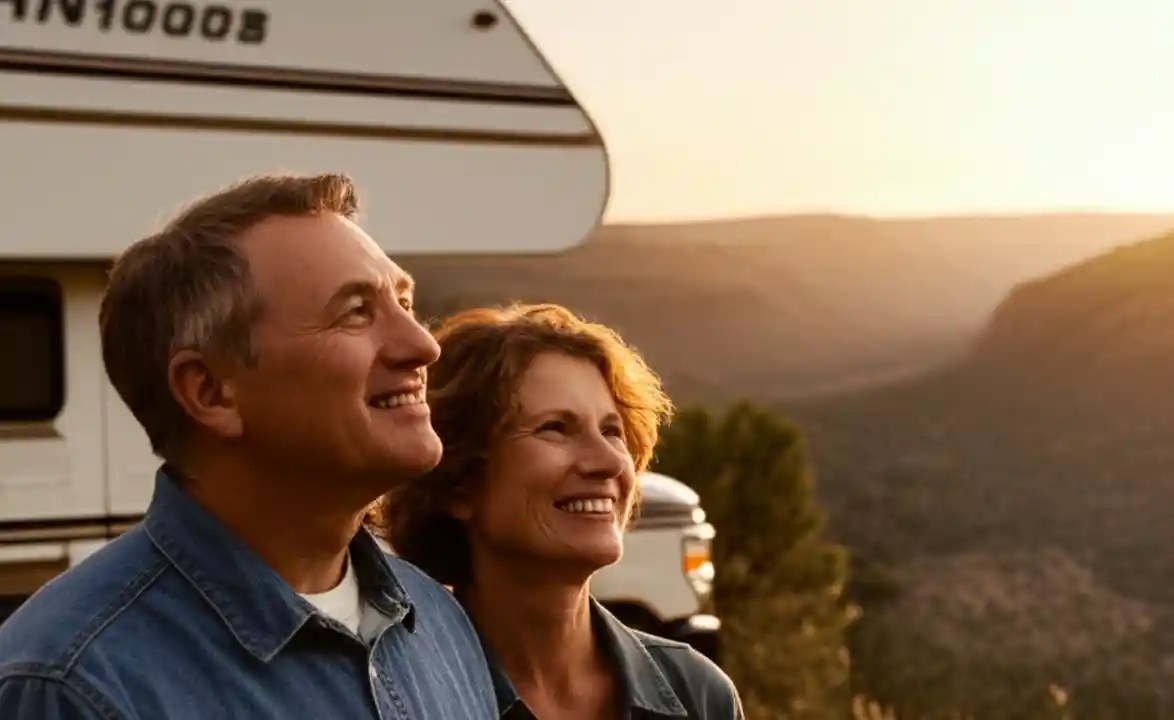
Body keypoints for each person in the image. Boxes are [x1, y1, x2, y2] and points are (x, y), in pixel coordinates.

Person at [0, 173, 497, 719]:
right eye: (356, 312)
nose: (423, 345)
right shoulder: (74, 685)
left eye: (405, 303)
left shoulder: (435, 620)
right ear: (210, 392)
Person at [373, 303, 745, 719]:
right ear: (459, 482)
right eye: (556, 428)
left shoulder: (698, 695)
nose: (607, 462)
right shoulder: (398, 697)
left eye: (612, 431)